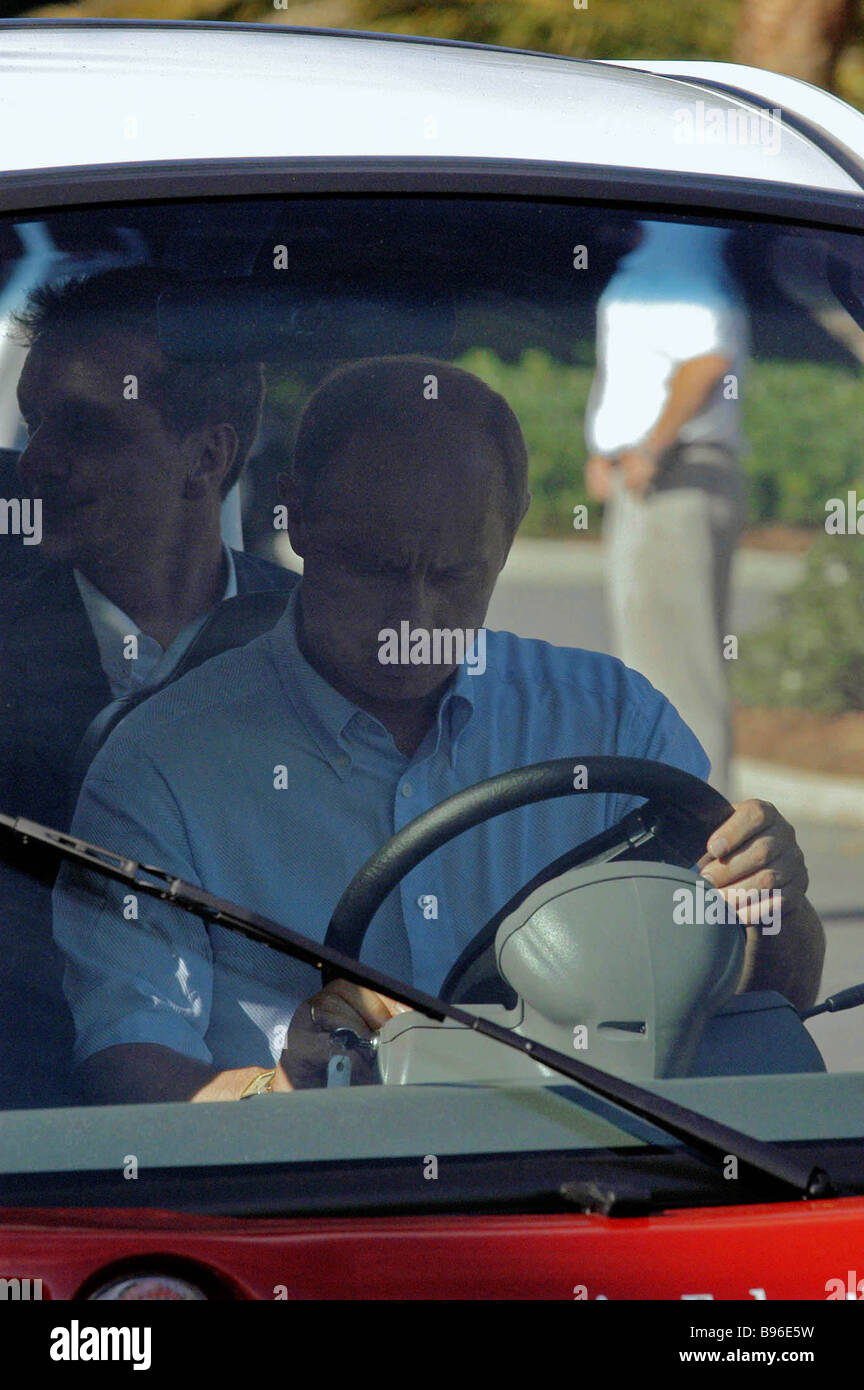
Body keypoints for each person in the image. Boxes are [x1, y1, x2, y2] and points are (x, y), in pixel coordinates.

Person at [52, 357, 823, 1106]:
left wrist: (771, 904)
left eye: (455, 576)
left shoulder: (616, 719)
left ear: (511, 535)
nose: (413, 620)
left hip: (592, 1193)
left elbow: (762, 1010)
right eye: (377, 568)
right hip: (299, 1201)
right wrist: (281, 1090)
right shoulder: (162, 764)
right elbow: (134, 1074)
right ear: (296, 517)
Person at [0, 266, 298, 1107]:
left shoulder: (321, 642)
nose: (38, 463)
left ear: (208, 456)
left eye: (85, 430)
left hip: (320, 1124)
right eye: (33, 425)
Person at [584, 220, 750, 796]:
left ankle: (700, 835)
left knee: (676, 671)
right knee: (663, 662)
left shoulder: (679, 267)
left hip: (673, 477)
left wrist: (650, 446)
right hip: (661, 474)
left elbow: (706, 360)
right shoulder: (671, 264)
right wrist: (610, 449)